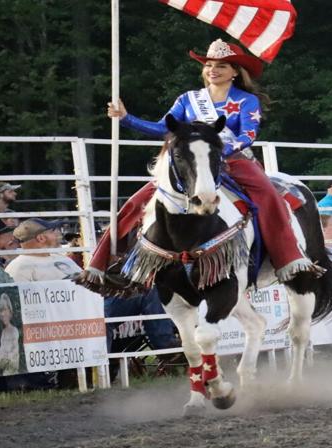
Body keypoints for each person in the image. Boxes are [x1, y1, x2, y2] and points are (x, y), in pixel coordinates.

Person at [86, 39, 314, 291]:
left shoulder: (247, 100)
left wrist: (220, 150)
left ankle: (288, 257)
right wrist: (126, 119)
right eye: (209, 65)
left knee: (270, 196)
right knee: (136, 202)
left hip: (234, 160)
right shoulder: (189, 98)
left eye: (222, 66)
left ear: (235, 72)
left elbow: (249, 134)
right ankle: (108, 263)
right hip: (191, 163)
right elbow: (163, 127)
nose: (213, 70)